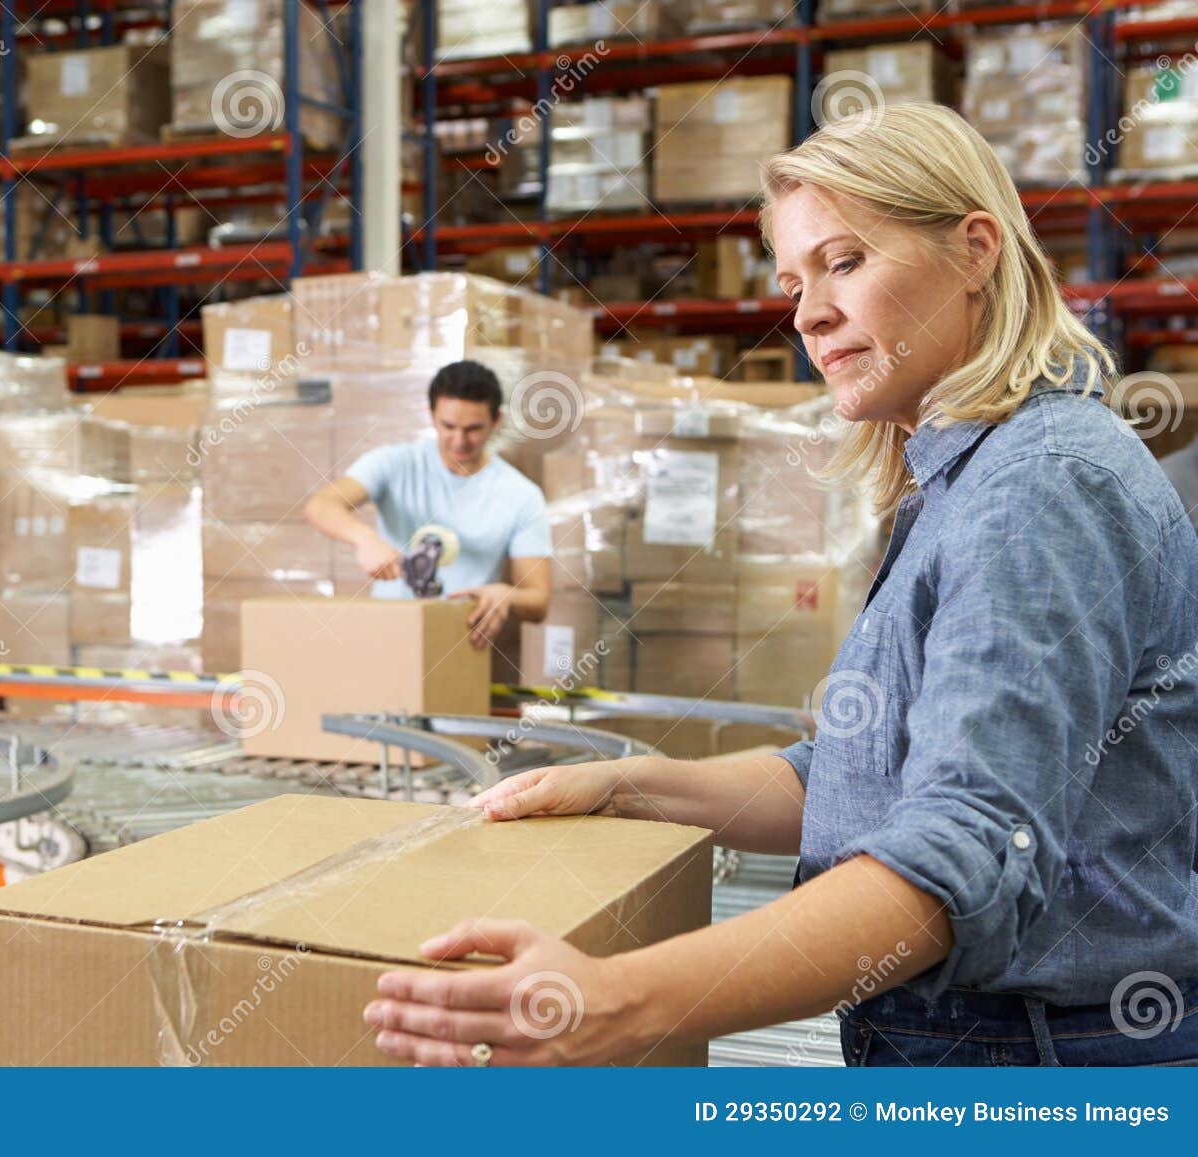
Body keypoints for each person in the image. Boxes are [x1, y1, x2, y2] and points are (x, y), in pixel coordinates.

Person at [361, 102, 1198, 1067]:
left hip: (1035, 1059)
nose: (808, 313)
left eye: (845, 263)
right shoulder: (969, 480)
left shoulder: (1040, 487)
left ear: (976, 251)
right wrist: (636, 783)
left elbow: (963, 853)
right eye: (793, 282)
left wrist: (626, 1000)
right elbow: (860, 772)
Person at [304, 360, 552, 649]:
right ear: (431, 415)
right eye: (448, 426)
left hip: (460, 644)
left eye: (473, 429)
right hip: (385, 639)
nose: (459, 441)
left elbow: (538, 600)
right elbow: (320, 505)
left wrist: (507, 596)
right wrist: (365, 539)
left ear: (496, 421)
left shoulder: (521, 495)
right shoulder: (394, 463)